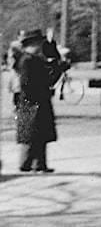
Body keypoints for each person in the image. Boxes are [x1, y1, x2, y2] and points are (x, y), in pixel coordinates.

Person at [12, 29, 62, 173]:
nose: (40, 46)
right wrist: (57, 70)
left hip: (34, 101)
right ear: (32, 44)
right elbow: (41, 81)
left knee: (38, 135)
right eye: (38, 43)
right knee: (34, 135)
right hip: (33, 101)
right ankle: (28, 163)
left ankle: (39, 164)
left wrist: (56, 68)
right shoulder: (29, 60)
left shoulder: (30, 59)